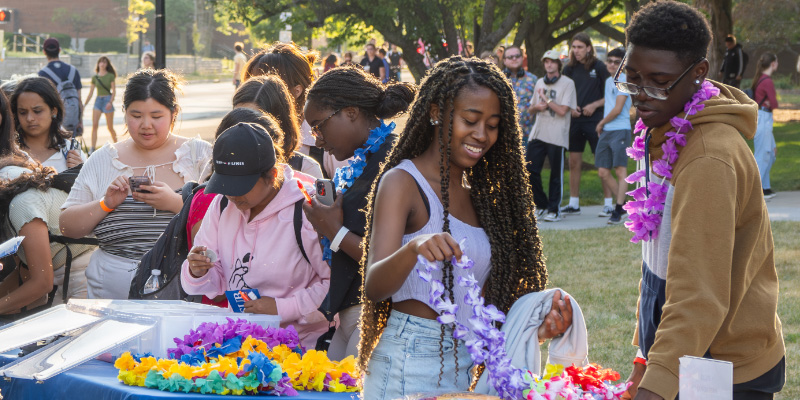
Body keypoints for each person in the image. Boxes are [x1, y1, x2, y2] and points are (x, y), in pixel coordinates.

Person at [358, 57, 572, 399]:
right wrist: (414, 249)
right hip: (408, 361)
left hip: (463, 362)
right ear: (436, 112)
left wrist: (536, 326)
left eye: (492, 124)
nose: (481, 135)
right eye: (470, 120)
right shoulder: (402, 182)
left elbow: (483, 301)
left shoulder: (481, 198)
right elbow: (374, 286)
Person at [617, 2, 785, 399]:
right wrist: (647, 354)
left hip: (724, 365)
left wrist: (655, 388)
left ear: (698, 74)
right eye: (632, 78)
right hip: (684, 351)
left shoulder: (709, 158)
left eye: (657, 81)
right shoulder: (661, 127)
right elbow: (659, 258)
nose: (640, 95)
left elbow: (699, 294)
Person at [59, 69, 212, 299]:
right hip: (110, 290)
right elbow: (67, 226)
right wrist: (106, 204)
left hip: (181, 285)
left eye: (156, 116)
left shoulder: (199, 154)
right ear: (124, 112)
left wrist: (175, 203)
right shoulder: (104, 158)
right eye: (136, 115)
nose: (146, 125)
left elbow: (224, 221)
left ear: (174, 113)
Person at [301, 65, 416, 361]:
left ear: (350, 112)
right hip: (350, 314)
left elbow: (393, 257)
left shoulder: (392, 166)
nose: (317, 139)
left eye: (319, 125)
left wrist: (333, 231)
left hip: (378, 314)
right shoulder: (365, 162)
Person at [182, 122, 330, 350]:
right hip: (239, 345)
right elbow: (217, 284)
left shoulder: (307, 209)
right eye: (225, 184)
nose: (231, 194)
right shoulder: (222, 204)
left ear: (272, 175)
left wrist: (282, 308)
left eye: (240, 186)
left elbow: (335, 286)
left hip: (301, 351)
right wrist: (198, 271)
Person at [0, 156, 96, 318]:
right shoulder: (25, 198)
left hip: (84, 281)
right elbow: (25, 273)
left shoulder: (21, 205)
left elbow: (42, 284)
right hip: (71, 279)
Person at [244, 42, 347, 179]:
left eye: (267, 88)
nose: (255, 94)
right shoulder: (241, 131)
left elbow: (345, 194)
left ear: (296, 91)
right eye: (251, 85)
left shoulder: (325, 140)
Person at [232, 75, 324, 179]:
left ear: (280, 123)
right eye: (238, 118)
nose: (245, 128)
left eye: (256, 123)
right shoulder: (219, 163)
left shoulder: (306, 169)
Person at [561, 32, 611, 217]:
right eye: (574, 47)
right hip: (575, 121)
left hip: (595, 121)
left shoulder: (599, 67)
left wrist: (594, 105)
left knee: (601, 162)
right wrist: (571, 108)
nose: (576, 51)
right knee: (574, 163)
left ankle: (608, 204)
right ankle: (574, 203)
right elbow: (563, 94)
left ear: (589, 48)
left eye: (580, 47)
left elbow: (612, 95)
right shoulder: (568, 69)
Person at [526, 50, 577, 223]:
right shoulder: (540, 82)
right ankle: (541, 205)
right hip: (539, 132)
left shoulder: (568, 84)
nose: (549, 65)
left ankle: (554, 210)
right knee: (529, 170)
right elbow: (531, 108)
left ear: (558, 65)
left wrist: (546, 100)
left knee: (556, 174)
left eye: (553, 62)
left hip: (557, 133)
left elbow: (563, 110)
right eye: (546, 61)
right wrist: (537, 107)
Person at [10, 77, 86, 172]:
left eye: (37, 111)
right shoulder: (9, 152)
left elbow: (93, 185)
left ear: (53, 111)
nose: (30, 118)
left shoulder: (71, 152)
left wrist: (81, 172)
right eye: (23, 112)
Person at [594, 47, 631, 224]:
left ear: (623, 65)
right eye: (610, 61)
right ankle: (625, 205)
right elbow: (609, 103)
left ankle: (618, 210)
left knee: (620, 170)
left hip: (620, 129)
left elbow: (617, 109)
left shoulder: (623, 81)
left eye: (617, 62)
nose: (612, 64)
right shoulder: (609, 81)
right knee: (603, 172)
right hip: (607, 130)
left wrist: (601, 123)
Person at [38, 38, 83, 137]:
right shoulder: (73, 71)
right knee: (71, 149)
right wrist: (80, 121)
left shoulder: (42, 74)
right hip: (72, 121)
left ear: (44, 52)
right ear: (59, 50)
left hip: (53, 124)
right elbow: (79, 99)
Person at [751, 53, 779, 200]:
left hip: (764, 117)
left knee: (771, 153)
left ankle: (765, 187)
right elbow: (774, 103)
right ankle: (756, 191)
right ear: (773, 64)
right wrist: (771, 102)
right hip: (763, 118)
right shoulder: (767, 81)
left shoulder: (761, 78)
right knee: (763, 155)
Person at [83, 56, 119, 152]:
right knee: (94, 125)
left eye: (104, 62)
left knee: (110, 127)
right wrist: (84, 105)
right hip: (98, 101)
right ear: (98, 64)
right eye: (101, 62)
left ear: (107, 65)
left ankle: (117, 145)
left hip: (107, 100)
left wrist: (110, 102)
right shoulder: (95, 77)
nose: (102, 64)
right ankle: (92, 148)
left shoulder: (110, 76)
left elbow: (114, 91)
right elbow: (91, 93)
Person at [504, 46, 538, 144]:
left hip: (527, 135)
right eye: (510, 57)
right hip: (504, 135)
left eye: (517, 56)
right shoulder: (498, 80)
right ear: (505, 61)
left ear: (522, 58)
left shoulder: (533, 80)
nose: (514, 59)